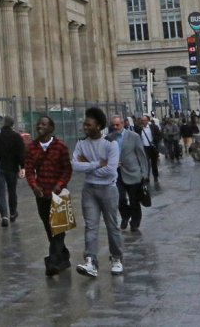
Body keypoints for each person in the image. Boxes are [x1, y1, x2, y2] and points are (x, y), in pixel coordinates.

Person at [72, 107, 123, 278]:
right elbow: (75, 165)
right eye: (84, 124)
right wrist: (95, 165)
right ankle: (91, 261)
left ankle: (116, 258)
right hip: (89, 189)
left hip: (108, 188)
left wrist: (88, 165)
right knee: (91, 225)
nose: (85, 127)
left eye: (88, 125)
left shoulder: (111, 144)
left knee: (112, 225)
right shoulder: (81, 143)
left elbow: (110, 170)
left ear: (98, 126)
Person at [25, 115, 73, 275]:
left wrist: (59, 185)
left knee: (58, 228)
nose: (40, 126)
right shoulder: (32, 147)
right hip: (42, 194)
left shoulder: (60, 147)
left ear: (51, 128)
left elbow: (67, 169)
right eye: (39, 124)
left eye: (44, 124)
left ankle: (52, 261)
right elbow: (29, 170)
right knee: (48, 227)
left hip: (58, 194)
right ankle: (64, 256)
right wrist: (34, 185)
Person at [109, 115, 148, 233]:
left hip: (133, 172)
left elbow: (141, 155)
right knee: (120, 198)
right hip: (117, 173)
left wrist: (144, 173)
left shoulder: (133, 136)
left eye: (118, 125)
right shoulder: (110, 138)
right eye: (113, 125)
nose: (115, 127)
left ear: (123, 124)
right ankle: (125, 216)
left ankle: (135, 222)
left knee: (134, 199)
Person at [135, 114, 163, 190]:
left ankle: (155, 176)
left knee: (154, 163)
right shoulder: (138, 129)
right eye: (142, 120)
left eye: (145, 120)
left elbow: (159, 135)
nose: (143, 122)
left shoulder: (153, 127)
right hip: (144, 148)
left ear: (148, 121)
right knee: (146, 163)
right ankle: (146, 177)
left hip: (152, 147)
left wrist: (155, 142)